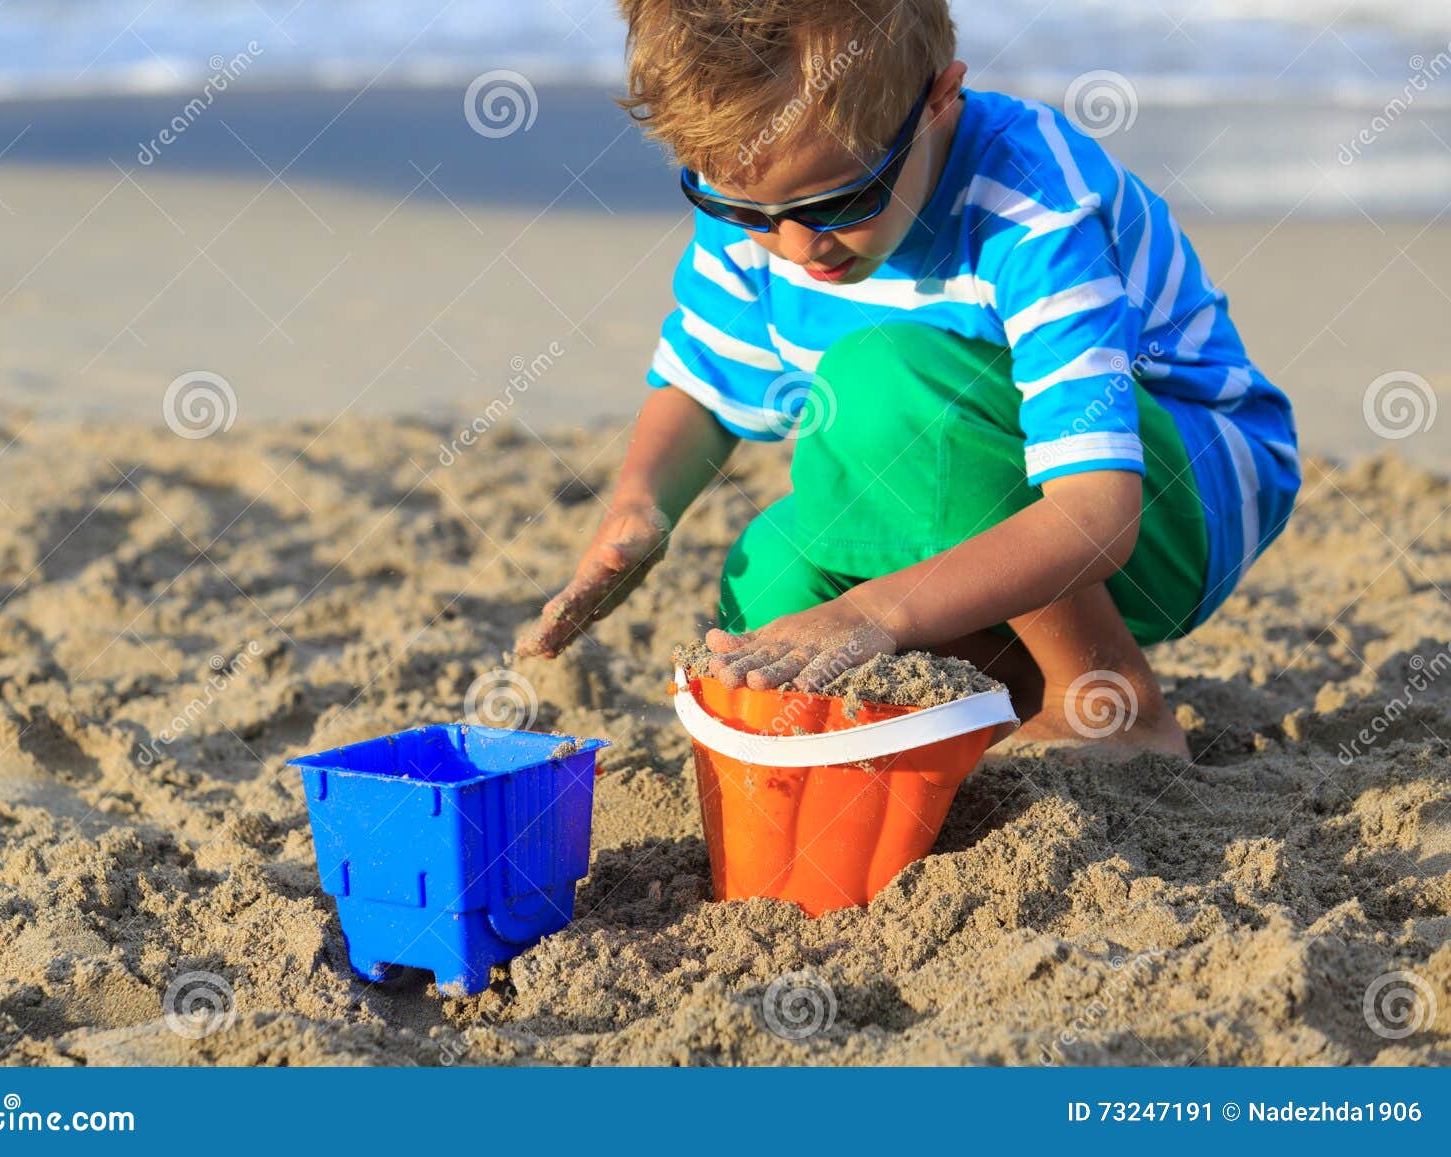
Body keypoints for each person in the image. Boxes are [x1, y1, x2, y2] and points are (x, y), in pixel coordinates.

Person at [516, 0, 1300, 758]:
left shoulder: (1030, 201)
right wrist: (639, 508)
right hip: (989, 497)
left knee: (885, 384)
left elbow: (1099, 512)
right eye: (747, 212)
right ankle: (1009, 696)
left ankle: (1105, 700)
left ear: (939, 101)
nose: (794, 247)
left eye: (844, 199)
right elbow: (706, 388)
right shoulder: (759, 199)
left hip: (1183, 494)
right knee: (773, 582)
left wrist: (875, 611)